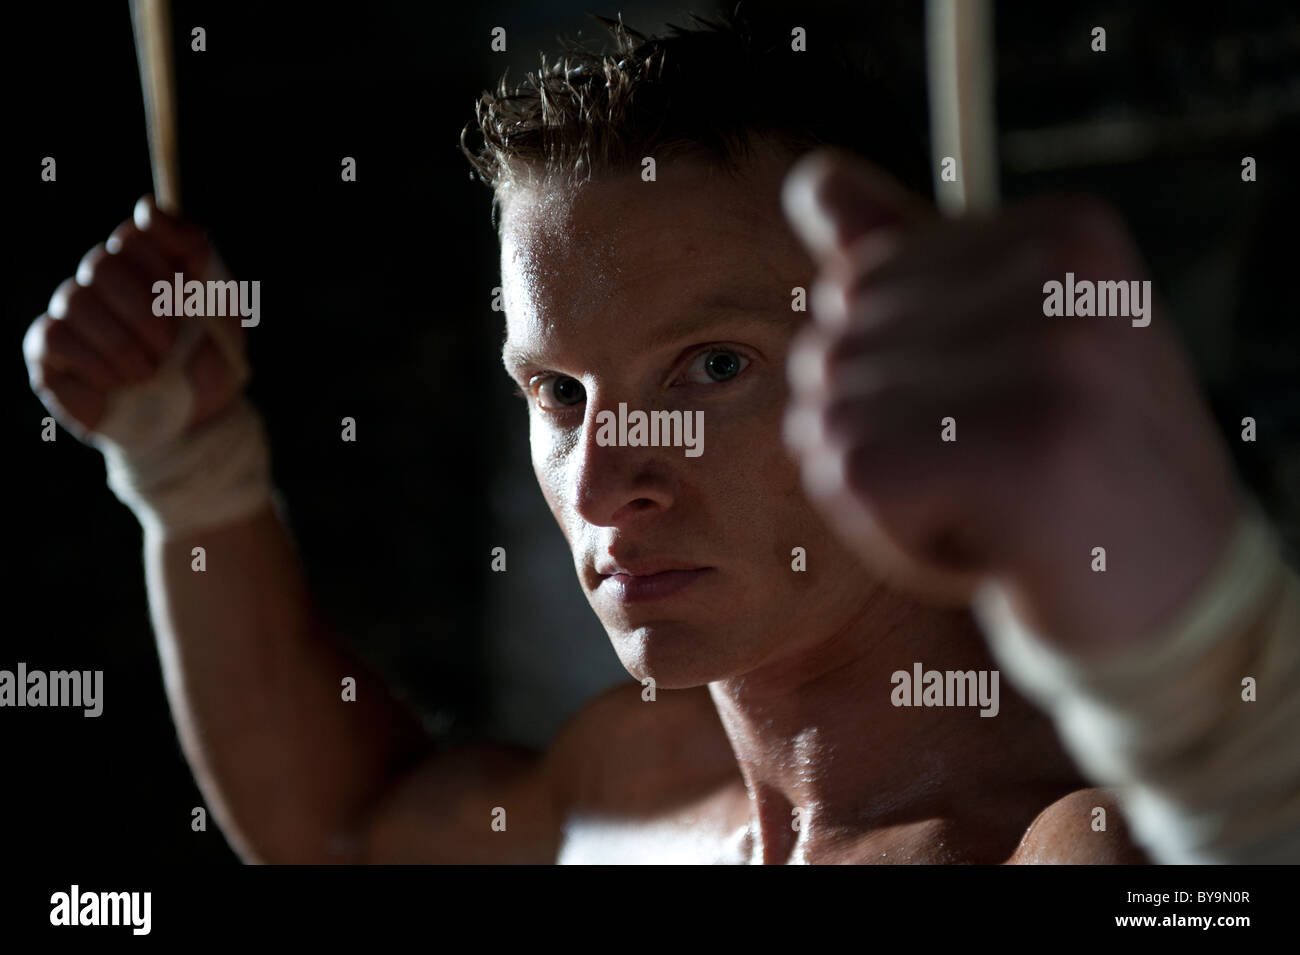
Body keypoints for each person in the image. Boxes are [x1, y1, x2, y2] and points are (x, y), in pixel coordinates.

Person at [22, 11, 1289, 864]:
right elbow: (341, 831)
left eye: (715, 365)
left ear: (908, 357)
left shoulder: (1071, 839)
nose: (603, 477)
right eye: (559, 391)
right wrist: (190, 472)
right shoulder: (638, 786)